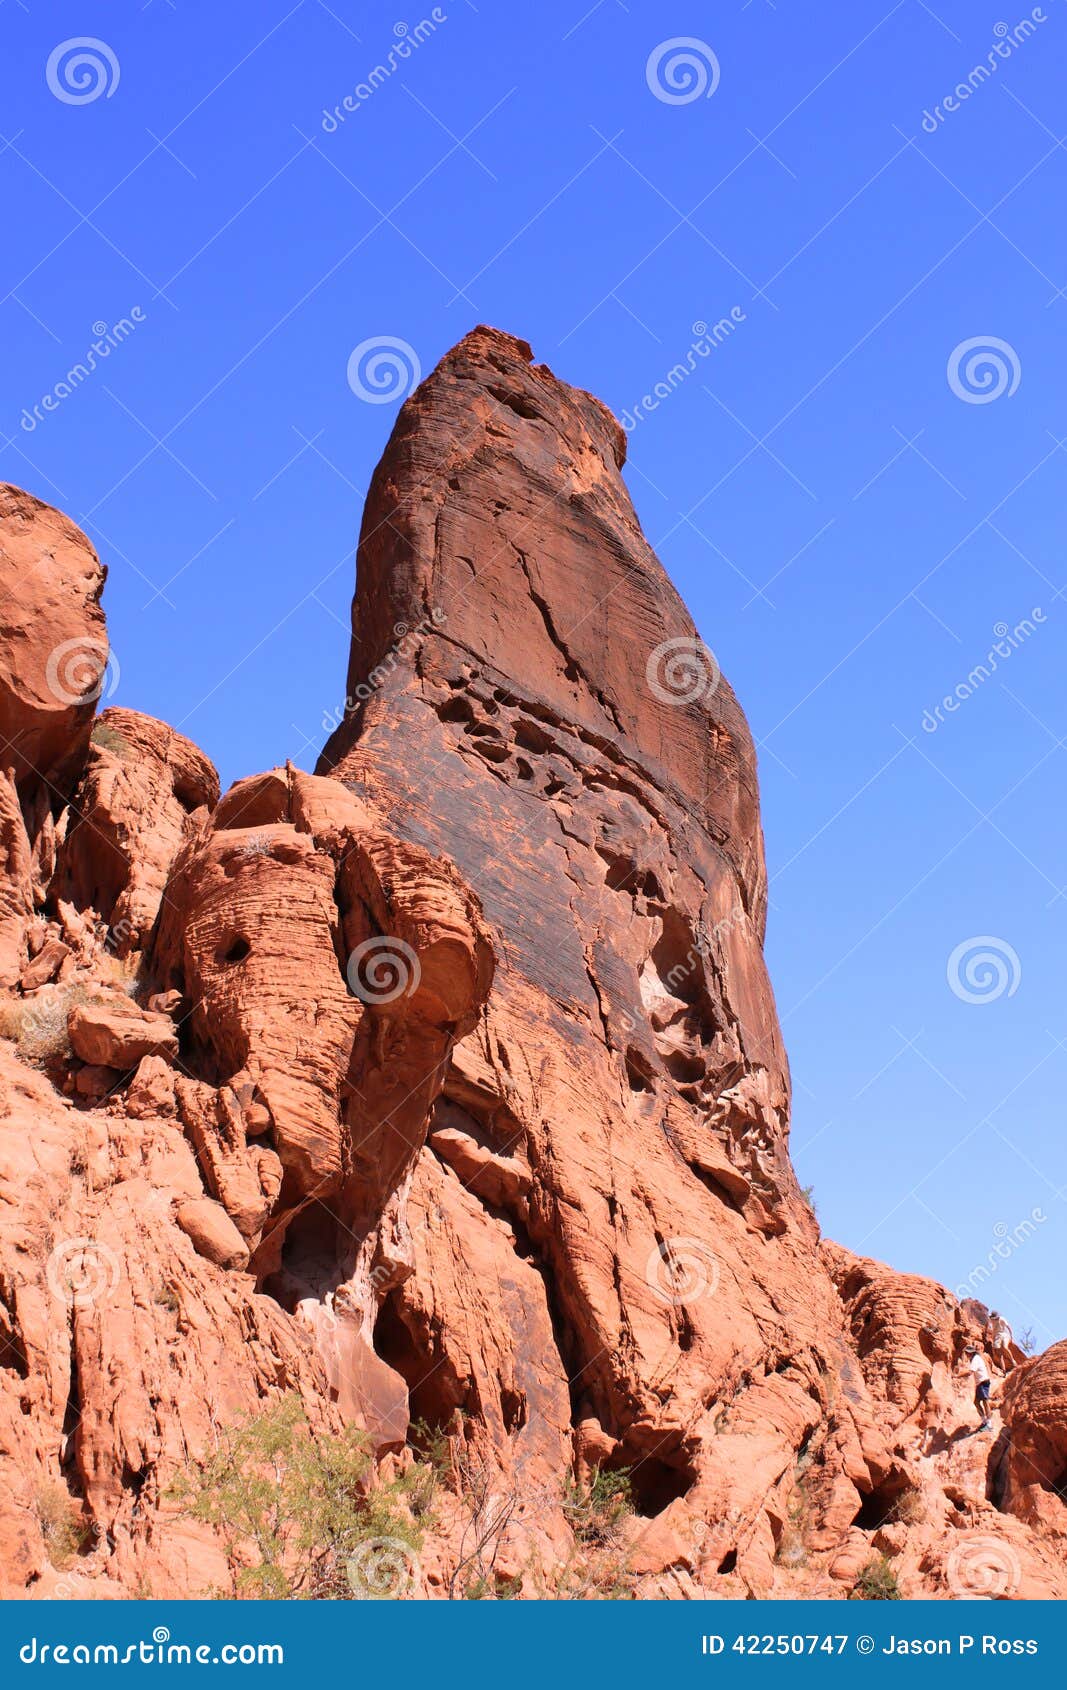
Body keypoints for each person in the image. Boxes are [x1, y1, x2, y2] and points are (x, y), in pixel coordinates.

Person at [965, 1345, 993, 1431]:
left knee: (985, 1402)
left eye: (967, 1353)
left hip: (983, 1382)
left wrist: (957, 1375)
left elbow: (970, 1372)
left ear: (971, 1353)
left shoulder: (975, 1359)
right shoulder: (974, 1358)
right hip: (980, 1383)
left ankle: (989, 1424)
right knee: (976, 1402)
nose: (966, 1354)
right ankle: (984, 1421)